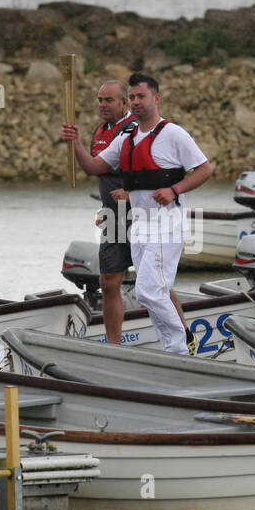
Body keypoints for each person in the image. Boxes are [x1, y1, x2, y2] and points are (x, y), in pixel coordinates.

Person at [63, 73, 213, 354]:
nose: (135, 102)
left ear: (156, 98)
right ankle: (170, 347)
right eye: (132, 97)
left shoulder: (173, 133)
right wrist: (76, 143)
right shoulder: (125, 138)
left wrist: (175, 190)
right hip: (138, 225)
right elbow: (95, 167)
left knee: (148, 290)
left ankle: (181, 348)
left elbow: (205, 169)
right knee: (150, 290)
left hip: (166, 222)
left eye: (140, 97)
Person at [88, 80, 191, 347]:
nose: (102, 105)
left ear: (124, 103)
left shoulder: (137, 130)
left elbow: (144, 175)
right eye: (100, 100)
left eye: (109, 100)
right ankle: (115, 346)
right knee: (109, 280)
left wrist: (133, 195)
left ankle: (183, 335)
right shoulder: (101, 133)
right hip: (114, 216)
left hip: (143, 215)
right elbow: (99, 170)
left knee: (156, 284)